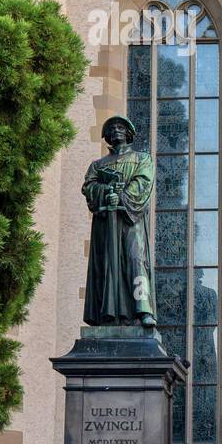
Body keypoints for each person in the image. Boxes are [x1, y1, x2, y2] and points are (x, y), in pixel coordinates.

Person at [81, 116, 156, 327]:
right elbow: (89, 187)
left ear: (129, 133)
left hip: (131, 220)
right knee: (106, 266)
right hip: (105, 224)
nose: (115, 130)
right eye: (111, 128)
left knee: (135, 260)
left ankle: (143, 311)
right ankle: (108, 315)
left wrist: (121, 196)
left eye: (120, 127)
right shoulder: (97, 165)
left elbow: (143, 182)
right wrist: (106, 193)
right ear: (106, 136)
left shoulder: (142, 159)